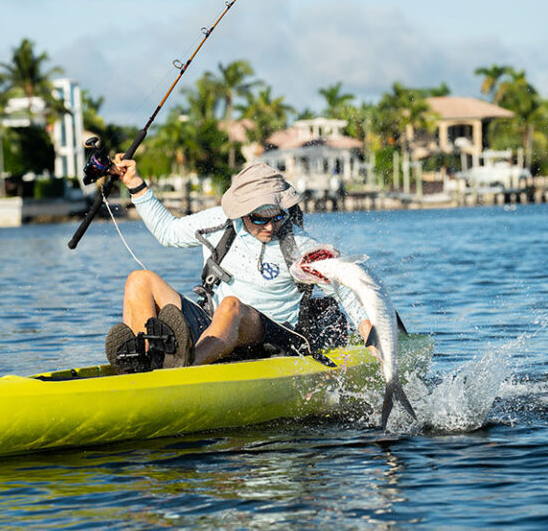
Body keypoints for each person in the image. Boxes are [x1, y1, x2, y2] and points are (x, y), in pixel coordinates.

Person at [104, 155, 372, 374]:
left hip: (273, 336)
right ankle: (144, 366)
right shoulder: (218, 222)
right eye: (259, 219)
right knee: (139, 280)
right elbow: (168, 232)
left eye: (277, 217)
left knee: (230, 305)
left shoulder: (301, 245)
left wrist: (368, 330)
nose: (270, 226)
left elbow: (344, 289)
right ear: (242, 212)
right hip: (215, 326)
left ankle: (184, 369)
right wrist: (134, 182)